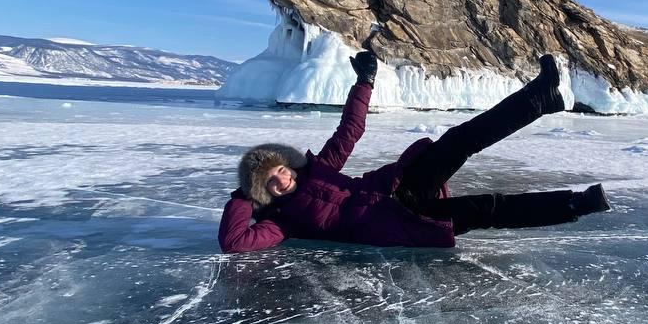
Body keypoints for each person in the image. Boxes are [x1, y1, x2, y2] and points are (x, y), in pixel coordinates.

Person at [217, 51, 611, 253]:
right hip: (402, 222)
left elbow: (350, 130)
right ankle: (575, 205)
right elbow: (236, 243)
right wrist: (241, 196)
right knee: (489, 208)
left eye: (280, 170)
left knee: (460, 139)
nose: (281, 179)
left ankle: (539, 97)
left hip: (400, 184)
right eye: (269, 182)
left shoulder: (318, 169)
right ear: (263, 192)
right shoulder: (284, 223)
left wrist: (365, 81)